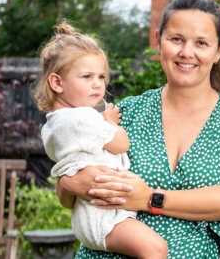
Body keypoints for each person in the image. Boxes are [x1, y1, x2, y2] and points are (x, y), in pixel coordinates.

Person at [55, 0, 220, 258]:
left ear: (219, 50)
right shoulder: (126, 113)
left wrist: (149, 198)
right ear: (158, 41)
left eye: (201, 43)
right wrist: (69, 182)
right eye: (176, 39)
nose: (186, 52)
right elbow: (68, 186)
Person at [33, 22, 167, 258]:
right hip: (106, 216)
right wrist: (111, 123)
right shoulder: (83, 117)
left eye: (101, 77)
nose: (98, 84)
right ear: (57, 82)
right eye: (87, 76)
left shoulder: (52, 125)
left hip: (87, 216)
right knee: (156, 249)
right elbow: (121, 143)